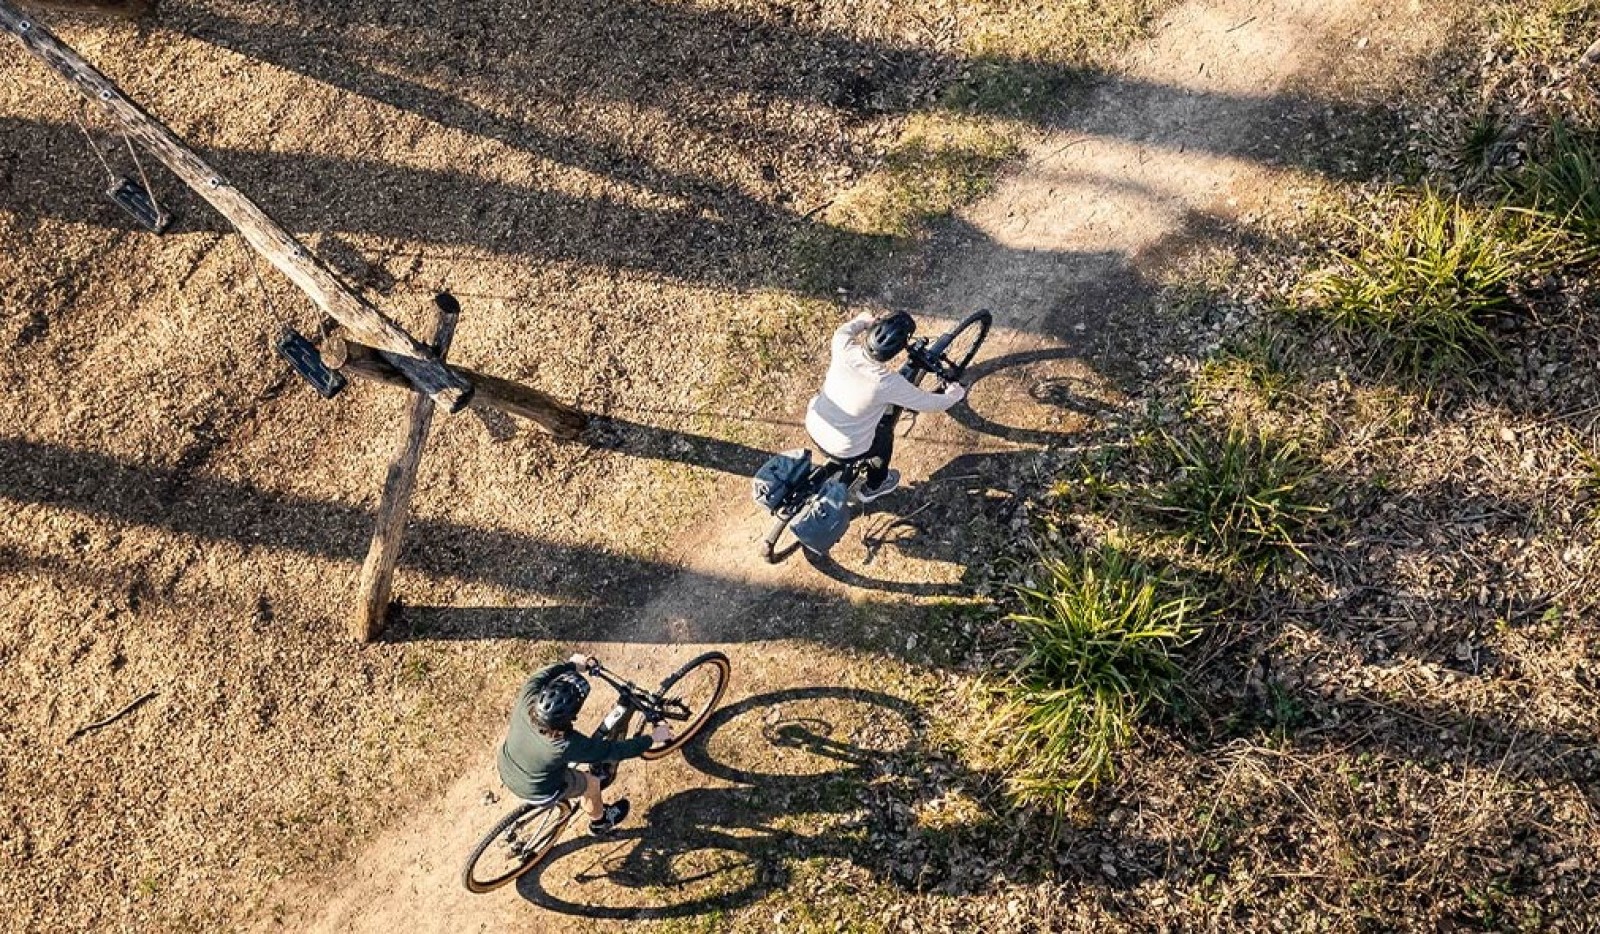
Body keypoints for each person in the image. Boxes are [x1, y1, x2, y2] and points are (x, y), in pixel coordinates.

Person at [496, 653, 672, 836]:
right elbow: (614, 750)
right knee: (592, 784)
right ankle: (600, 822)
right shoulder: (565, 744)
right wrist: (652, 738)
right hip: (536, 788)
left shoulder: (527, 699)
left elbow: (541, 675)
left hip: (506, 764)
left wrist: (571, 665)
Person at [804, 310, 967, 501]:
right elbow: (928, 403)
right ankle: (876, 485)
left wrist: (863, 321)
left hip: (814, 424)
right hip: (845, 448)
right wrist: (953, 396)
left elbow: (849, 328)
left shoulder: (841, 345)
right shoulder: (887, 383)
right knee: (883, 437)